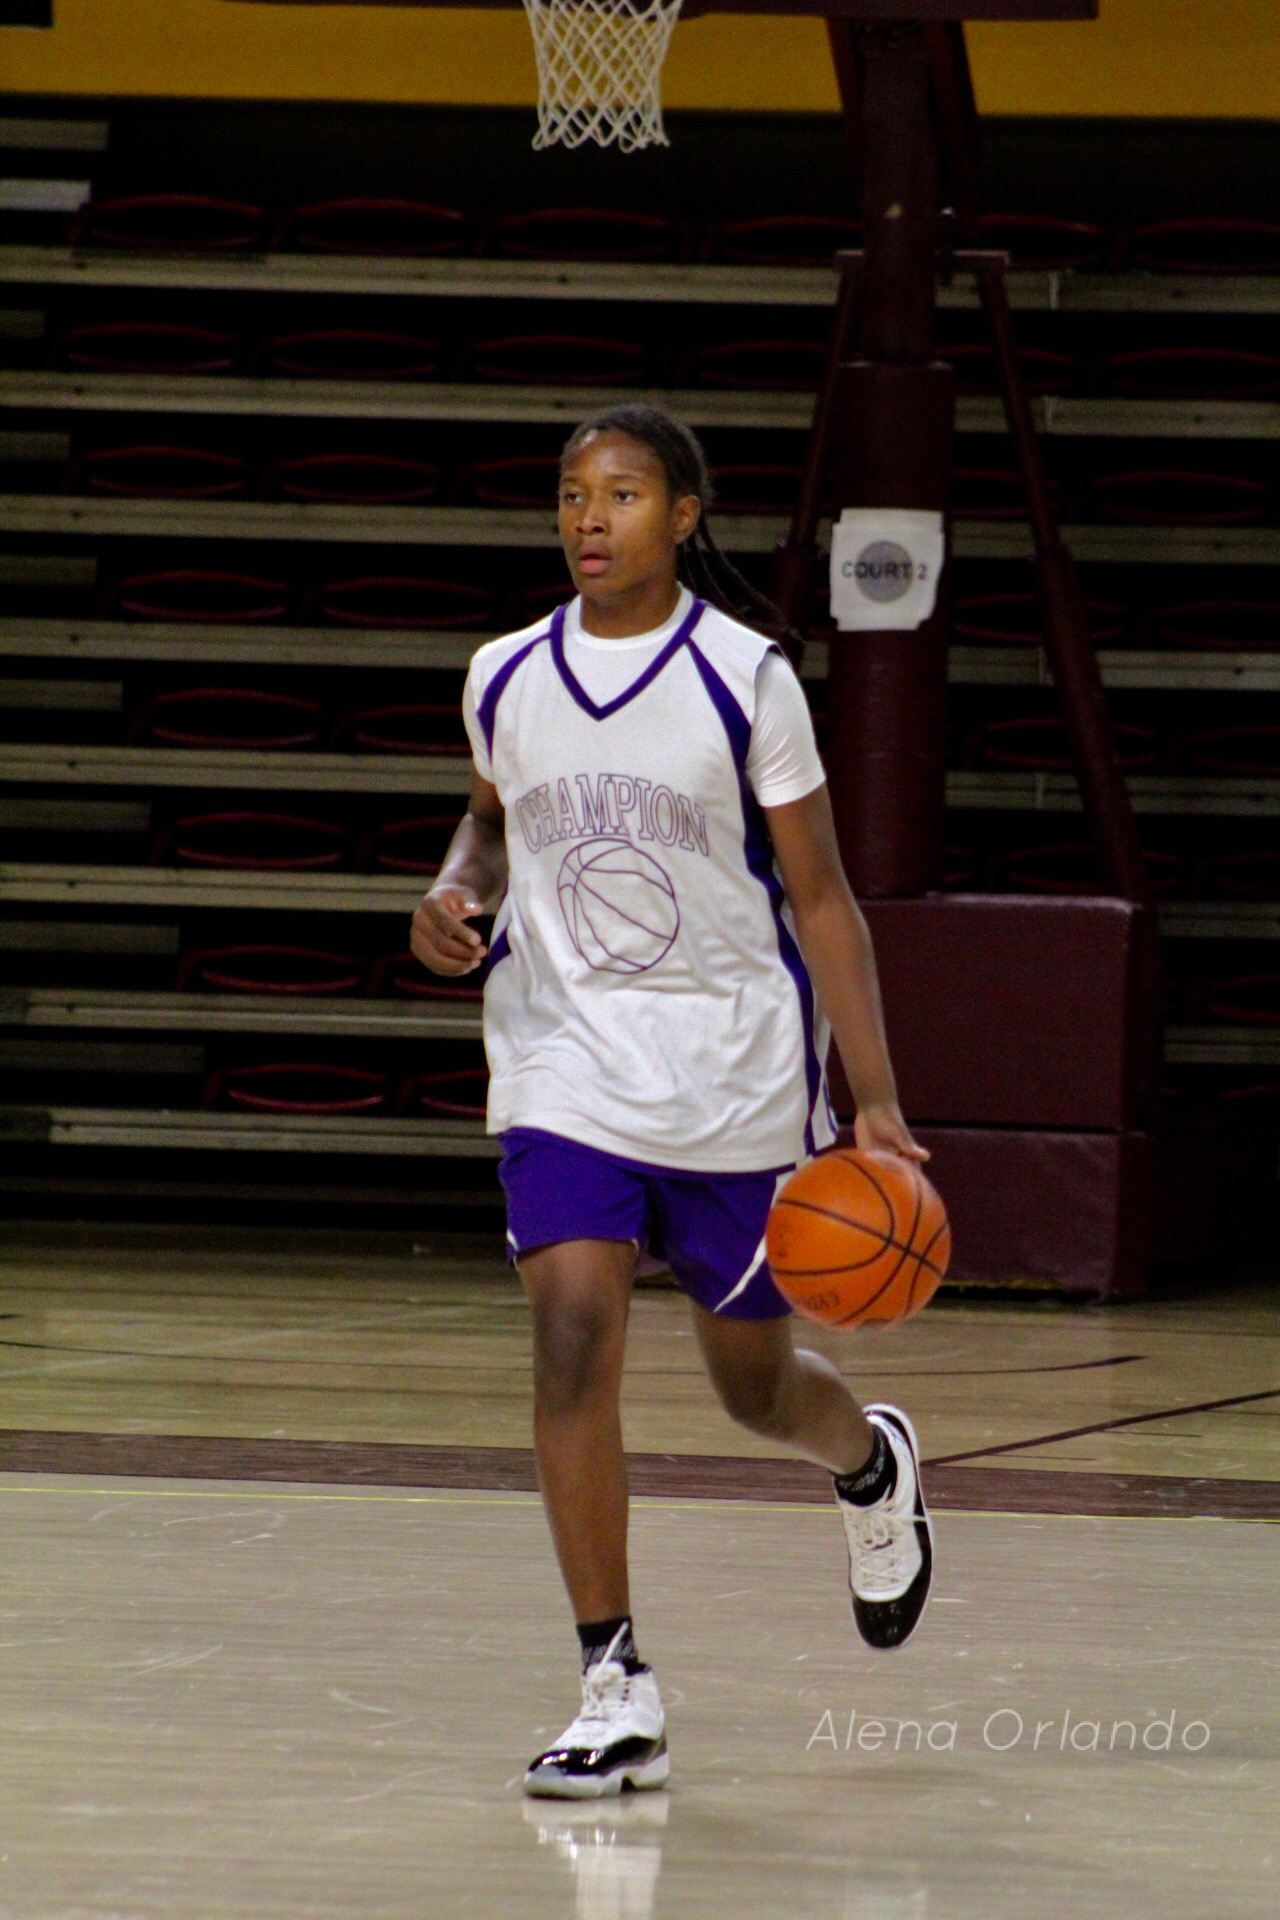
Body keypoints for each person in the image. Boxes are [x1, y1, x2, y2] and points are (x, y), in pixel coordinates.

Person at [410, 403, 933, 1801]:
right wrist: (456, 886)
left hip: (734, 1070)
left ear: (684, 518)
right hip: (563, 1055)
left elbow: (820, 895)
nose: (590, 518)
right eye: (574, 495)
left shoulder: (744, 678)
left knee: (751, 1387)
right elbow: (491, 818)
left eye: (624, 494)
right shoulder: (506, 672)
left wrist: (873, 1104)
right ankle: (613, 1676)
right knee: (571, 1337)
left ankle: (866, 1459)